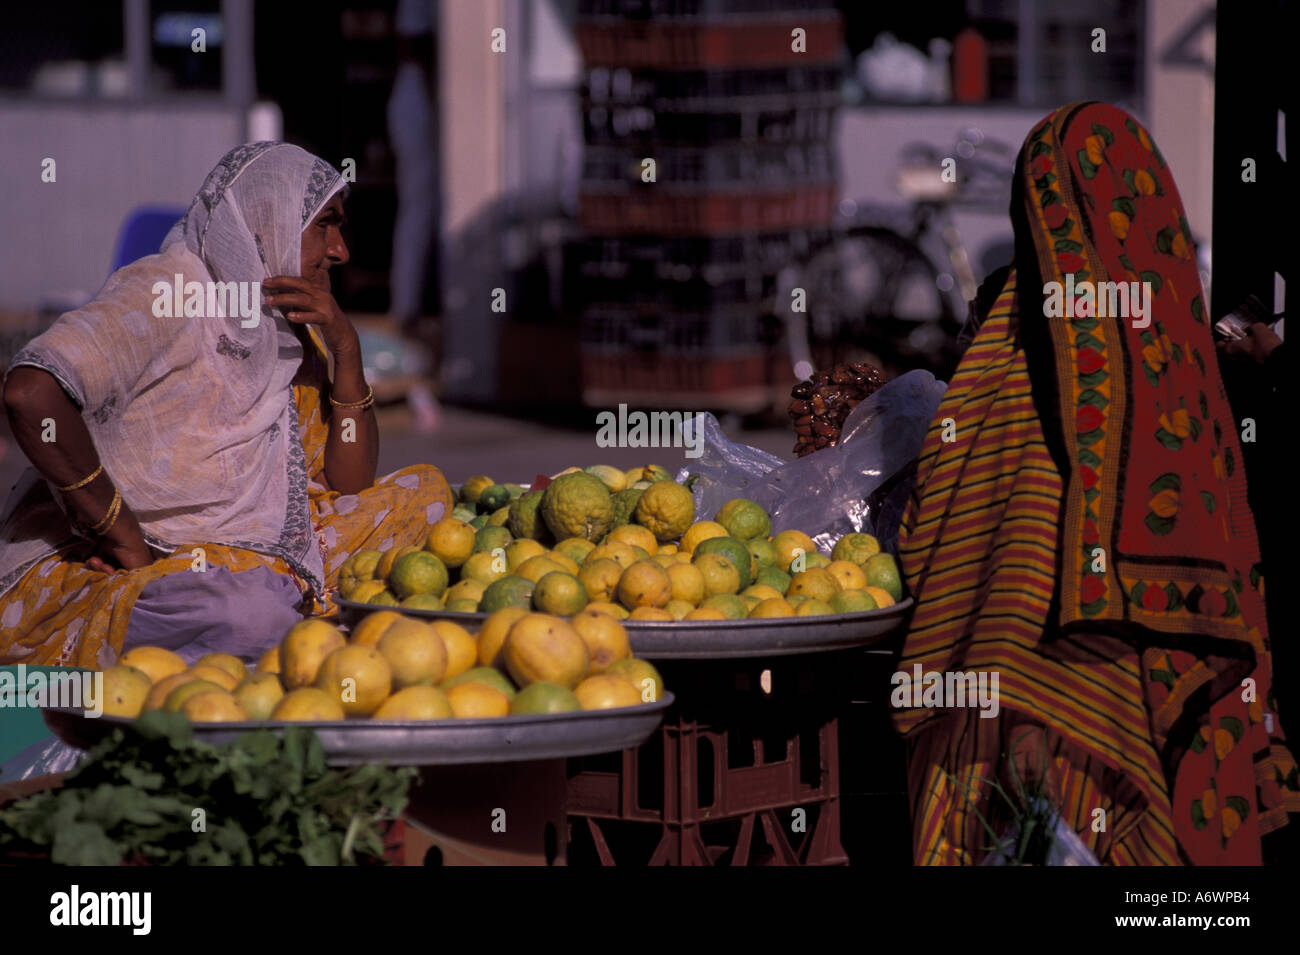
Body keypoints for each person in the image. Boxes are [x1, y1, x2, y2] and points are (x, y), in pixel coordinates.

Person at [892, 103, 1299, 864]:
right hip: (1142, 729)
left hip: (1008, 706)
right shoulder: (1177, 351)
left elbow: (929, 536)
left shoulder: (1008, 351)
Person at [0, 142, 454, 668]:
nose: (340, 250)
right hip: (132, 557)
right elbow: (30, 392)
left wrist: (347, 352)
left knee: (425, 496)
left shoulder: (285, 324)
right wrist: (121, 536)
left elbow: (348, 483)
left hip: (246, 544)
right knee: (248, 617)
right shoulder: (168, 291)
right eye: (324, 225)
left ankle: (275, 610)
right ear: (268, 221)